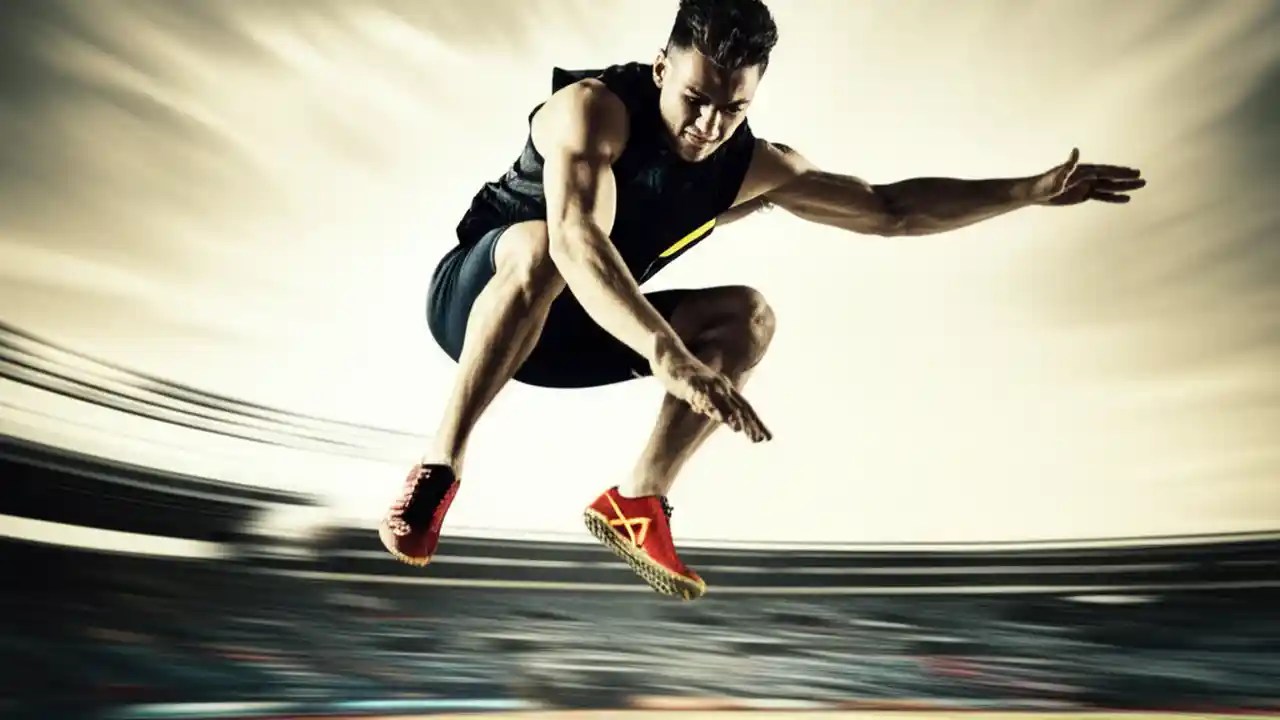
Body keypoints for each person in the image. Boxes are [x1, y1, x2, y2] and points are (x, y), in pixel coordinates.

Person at [379, 0, 1146, 600]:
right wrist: (663, 353)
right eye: (696, 98)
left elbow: (889, 209)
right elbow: (578, 240)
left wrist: (1025, 192)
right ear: (659, 69)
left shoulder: (751, 164)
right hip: (477, 302)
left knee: (749, 316)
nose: (709, 126)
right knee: (542, 246)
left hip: (580, 334)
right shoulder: (593, 110)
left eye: (733, 108)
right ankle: (440, 467)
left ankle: (637, 502)